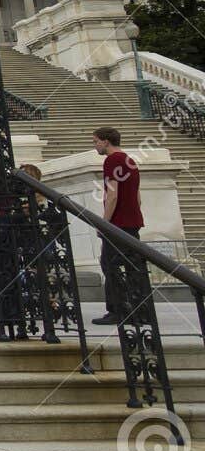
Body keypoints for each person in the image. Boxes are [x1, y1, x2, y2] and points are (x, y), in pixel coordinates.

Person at [91, 127, 144, 325]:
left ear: (106, 141)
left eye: (96, 141)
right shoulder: (130, 160)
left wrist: (104, 223)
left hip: (118, 224)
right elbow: (138, 196)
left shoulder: (111, 160)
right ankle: (140, 309)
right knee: (133, 267)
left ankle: (117, 310)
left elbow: (112, 195)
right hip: (133, 221)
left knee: (109, 264)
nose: (95, 145)